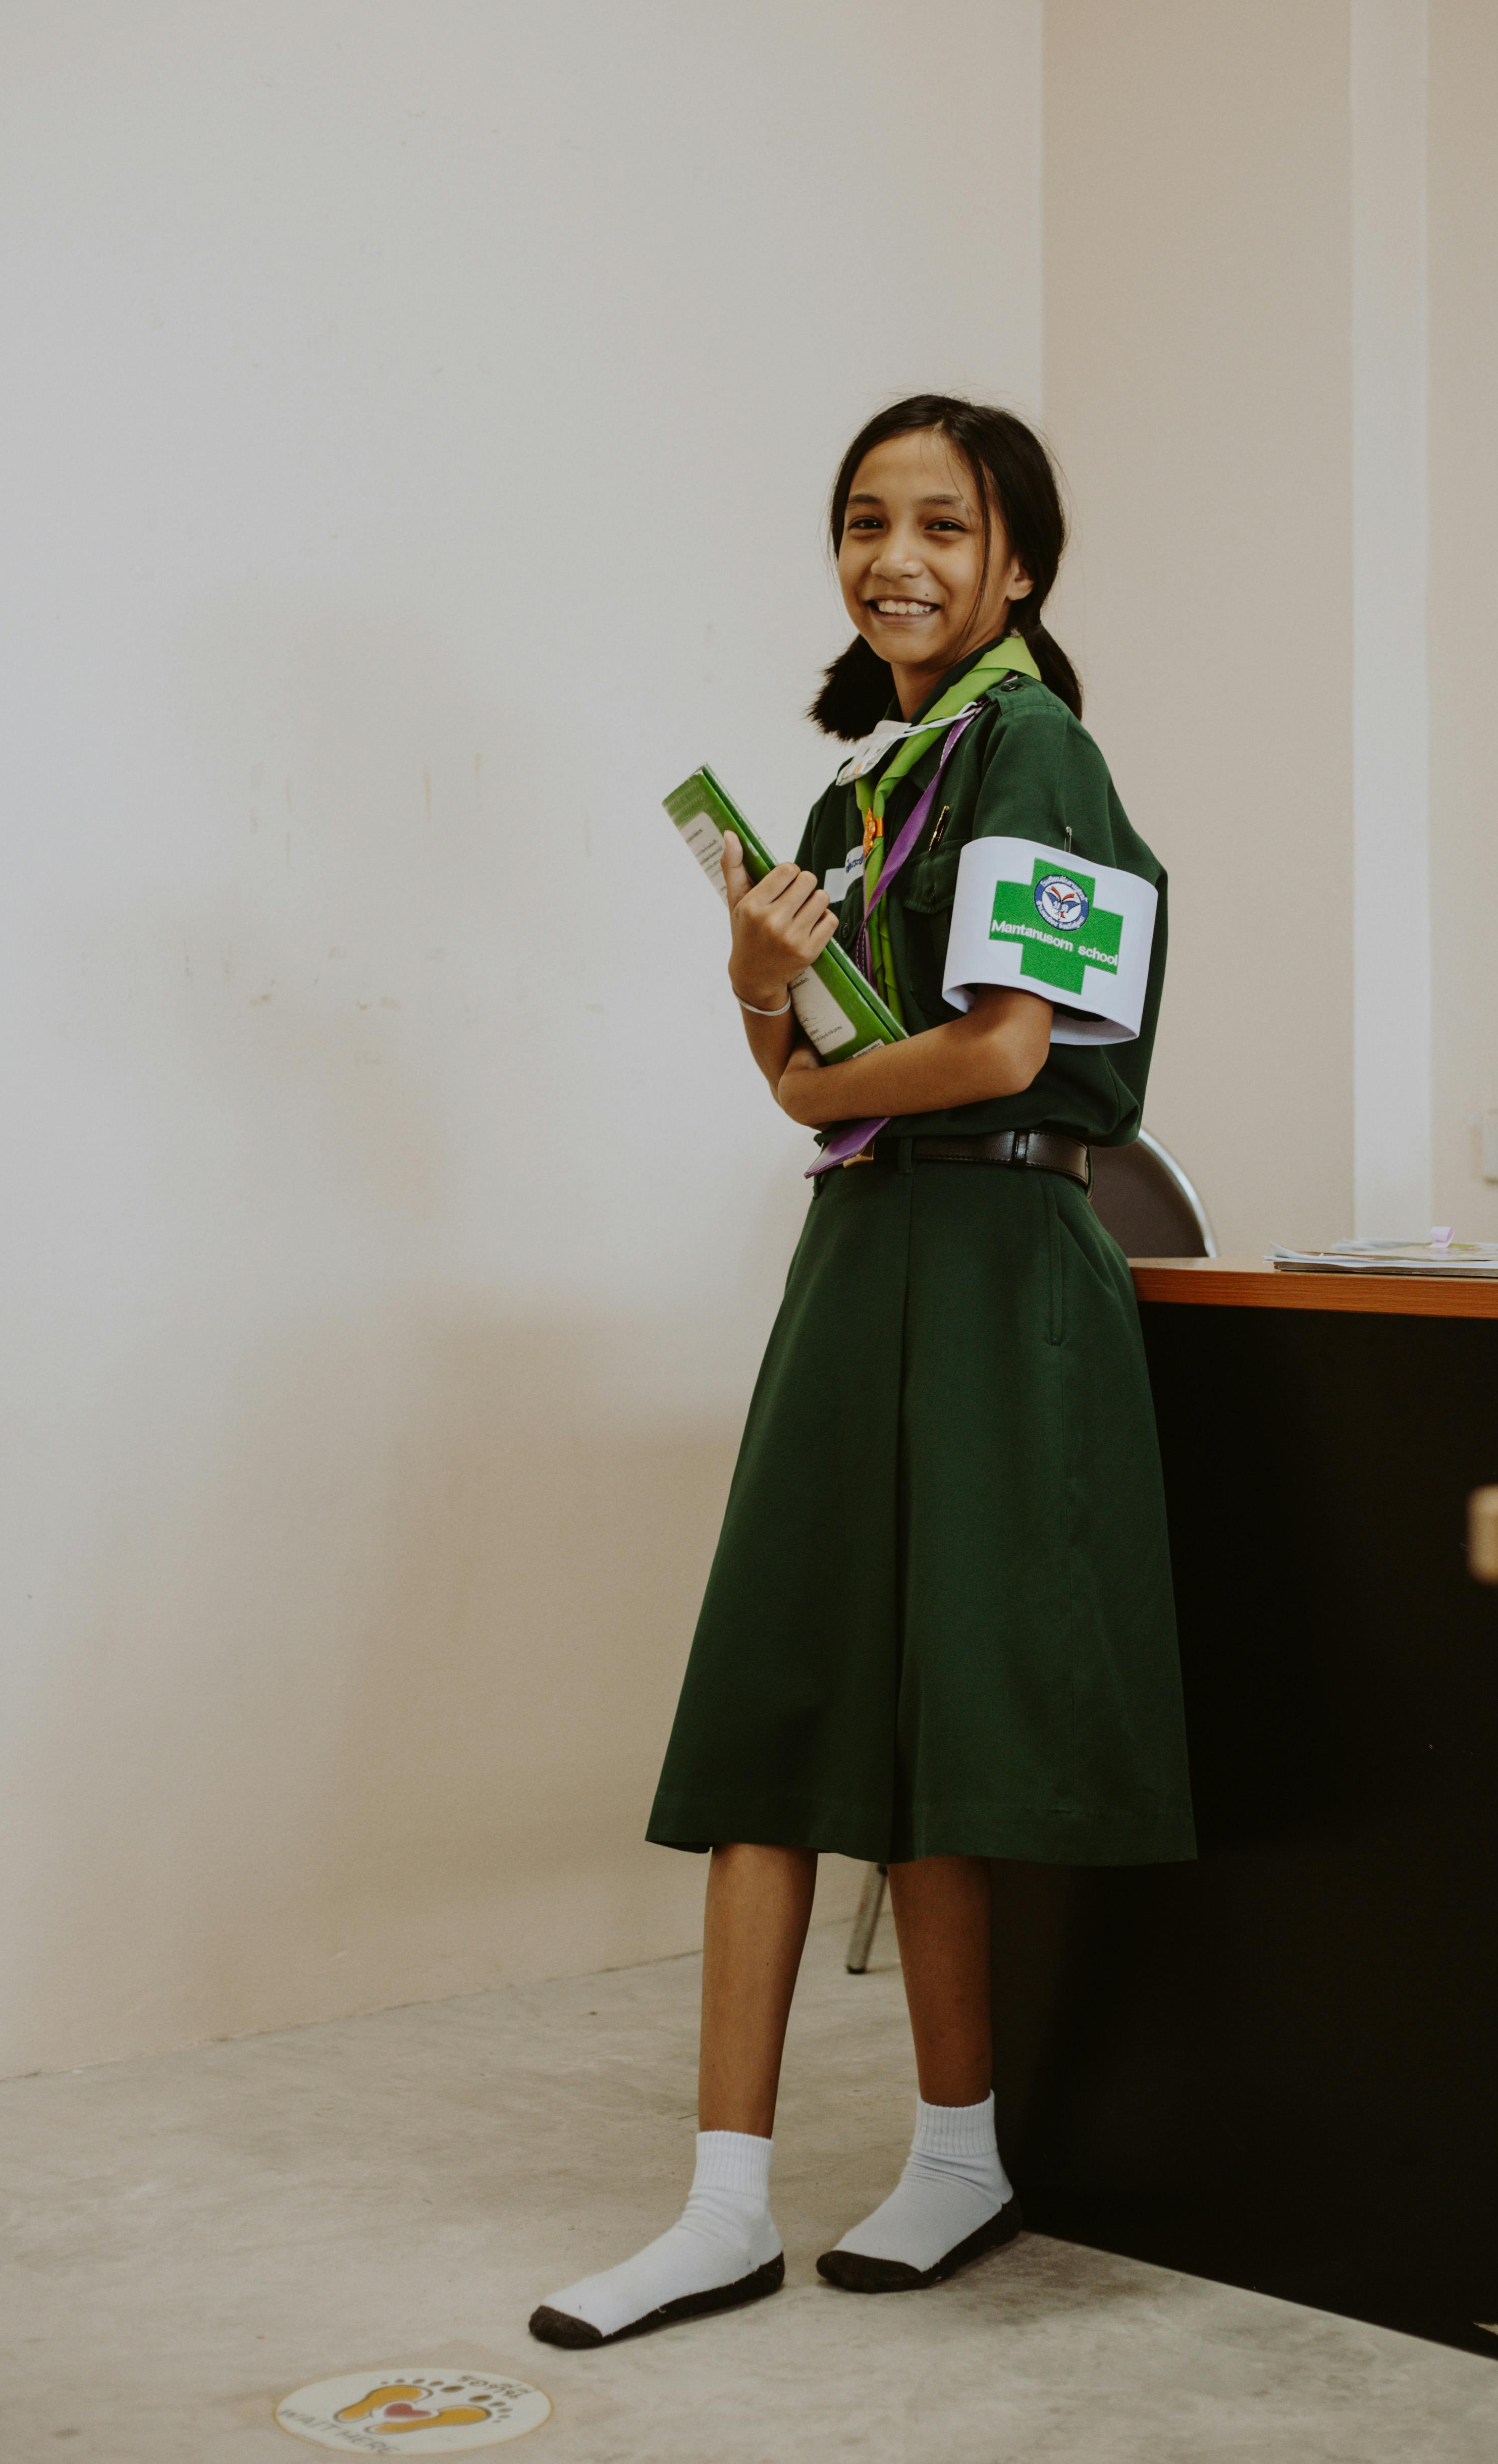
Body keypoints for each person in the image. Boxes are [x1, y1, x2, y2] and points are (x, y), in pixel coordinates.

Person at [529, 396, 1194, 2351]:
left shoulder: (1038, 750)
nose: (889, 554)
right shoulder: (847, 792)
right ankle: (720, 2200)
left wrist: (812, 1073)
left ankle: (958, 2150)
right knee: (776, 1695)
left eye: (935, 522)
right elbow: (792, 1080)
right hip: (863, 1242)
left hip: (1000, 1249)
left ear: (1013, 560)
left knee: (947, 1726)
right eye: (858, 521)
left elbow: (998, 1051)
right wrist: (755, 977)